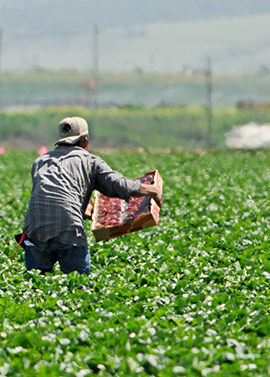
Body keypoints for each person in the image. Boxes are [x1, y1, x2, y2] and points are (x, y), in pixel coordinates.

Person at [19, 116, 163, 275]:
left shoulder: (40, 161)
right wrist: (152, 190)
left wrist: (83, 207)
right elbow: (118, 185)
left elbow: (51, 193)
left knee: (38, 285)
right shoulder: (90, 161)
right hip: (69, 231)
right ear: (85, 142)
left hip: (34, 231)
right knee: (78, 285)